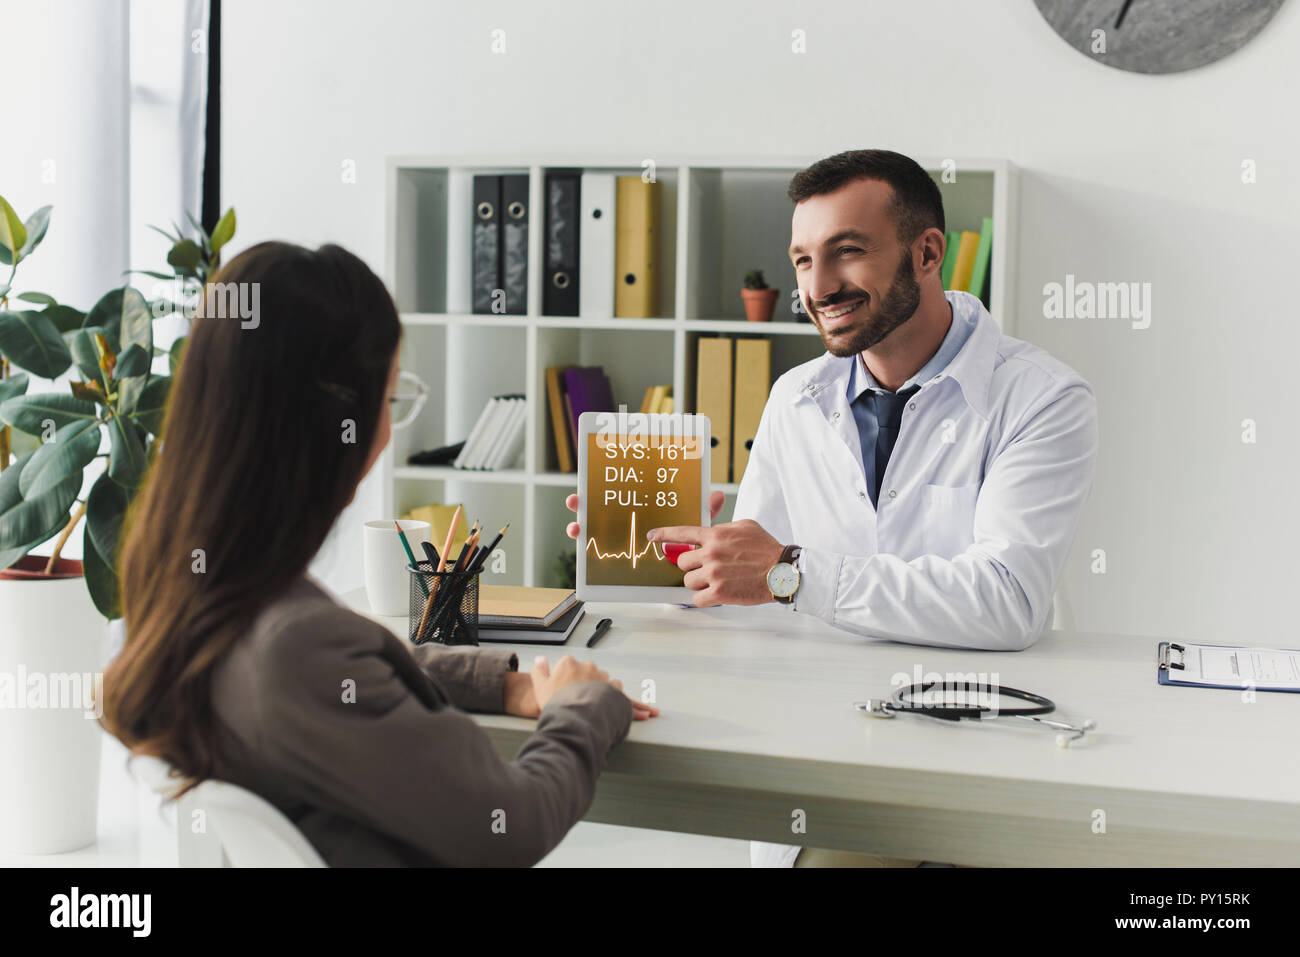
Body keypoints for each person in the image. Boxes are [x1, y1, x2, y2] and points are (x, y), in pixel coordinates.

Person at [566, 149, 1098, 867]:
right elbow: (756, 587)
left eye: (847, 253)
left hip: (975, 749)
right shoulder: (796, 398)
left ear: (928, 252)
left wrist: (787, 571)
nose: (818, 286)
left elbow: (1006, 602)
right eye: (802, 260)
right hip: (823, 739)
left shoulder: (1042, 398)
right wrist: (676, 555)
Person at [101, 240, 656, 867]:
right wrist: (582, 707)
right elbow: (513, 824)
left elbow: (350, 679)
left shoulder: (183, 588)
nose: (388, 432)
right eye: (389, 399)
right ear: (333, 422)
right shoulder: (298, 647)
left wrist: (502, 685)